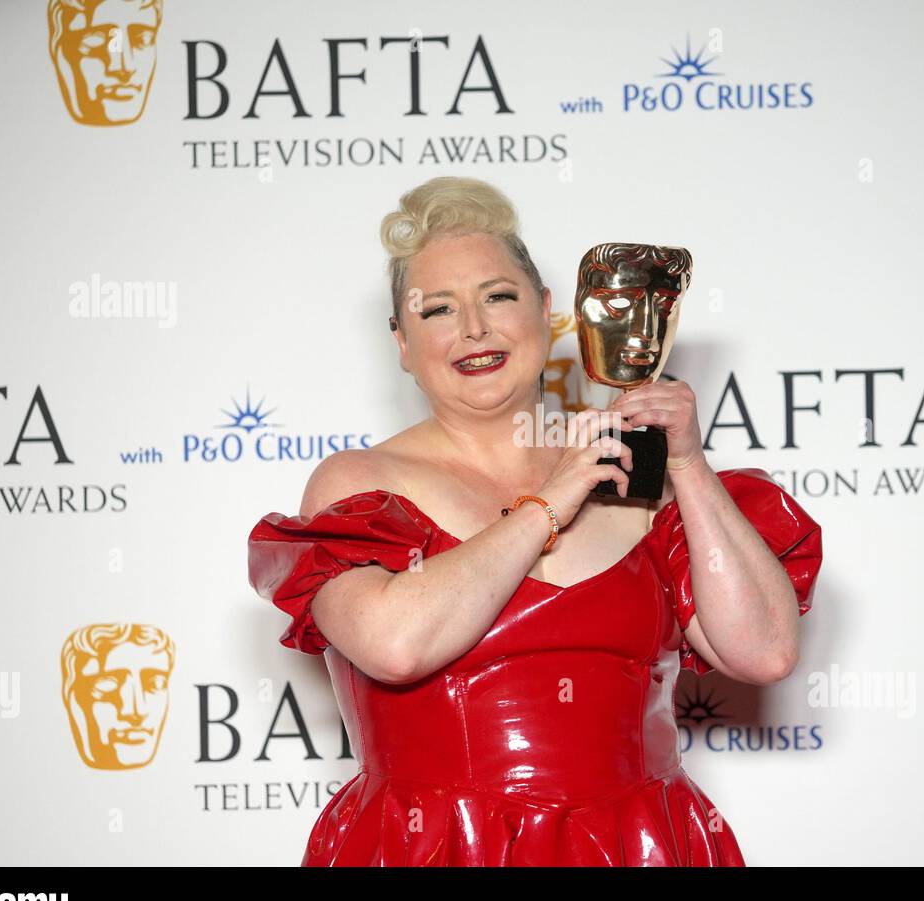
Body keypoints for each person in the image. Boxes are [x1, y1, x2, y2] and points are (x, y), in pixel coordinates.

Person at [246, 176, 823, 866]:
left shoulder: (640, 477)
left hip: (638, 846)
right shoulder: (362, 482)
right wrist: (552, 501)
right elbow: (395, 646)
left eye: (498, 296)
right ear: (402, 342)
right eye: (436, 310)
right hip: (437, 849)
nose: (474, 329)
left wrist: (689, 467)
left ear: (548, 313)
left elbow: (763, 653)